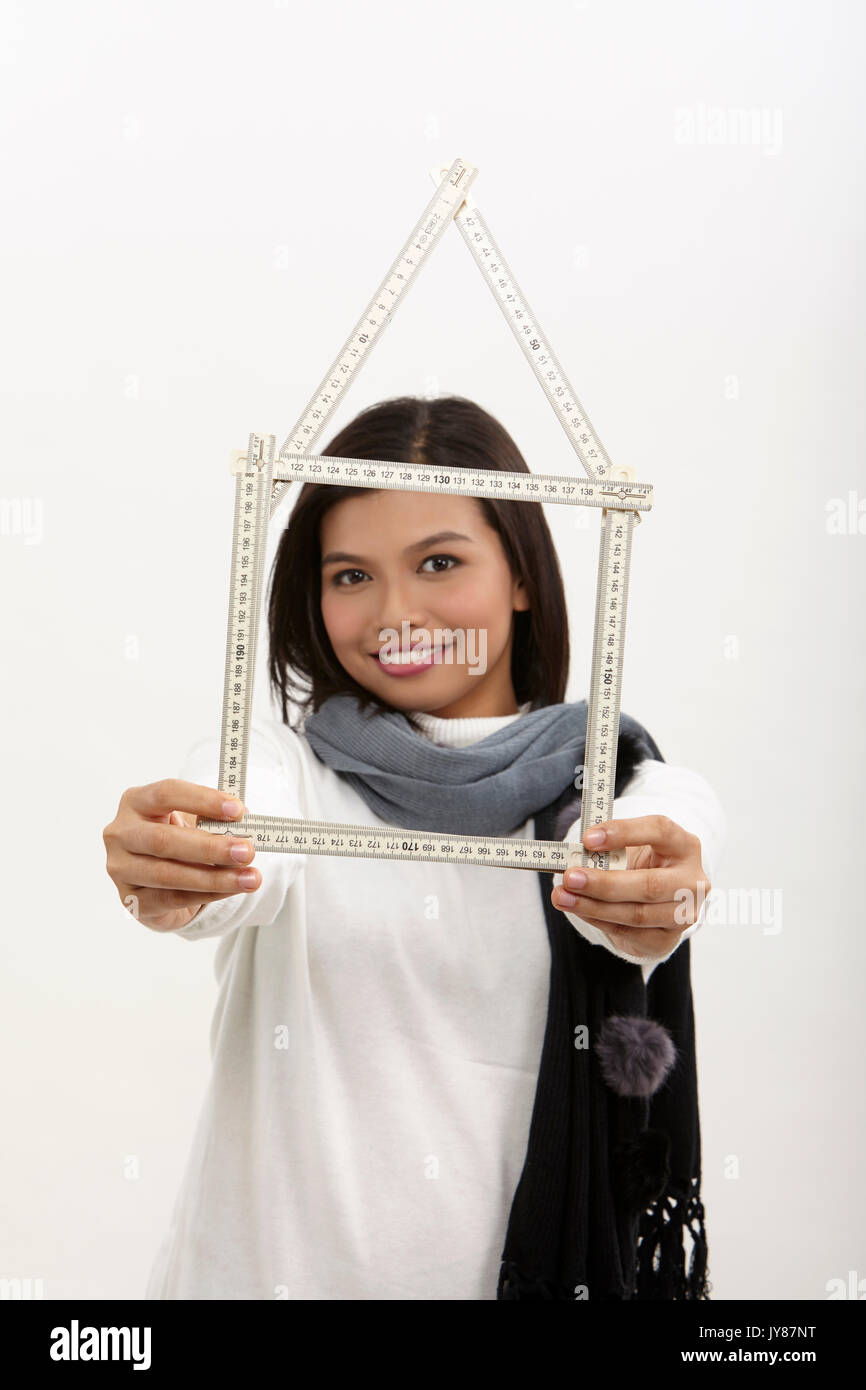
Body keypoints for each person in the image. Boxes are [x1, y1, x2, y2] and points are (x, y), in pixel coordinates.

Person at [103, 395, 725, 1300]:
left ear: (520, 573)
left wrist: (660, 892)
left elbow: (671, 853)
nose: (394, 613)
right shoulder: (282, 771)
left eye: (439, 561)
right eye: (350, 575)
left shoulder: (614, 791)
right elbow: (239, 848)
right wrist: (183, 869)